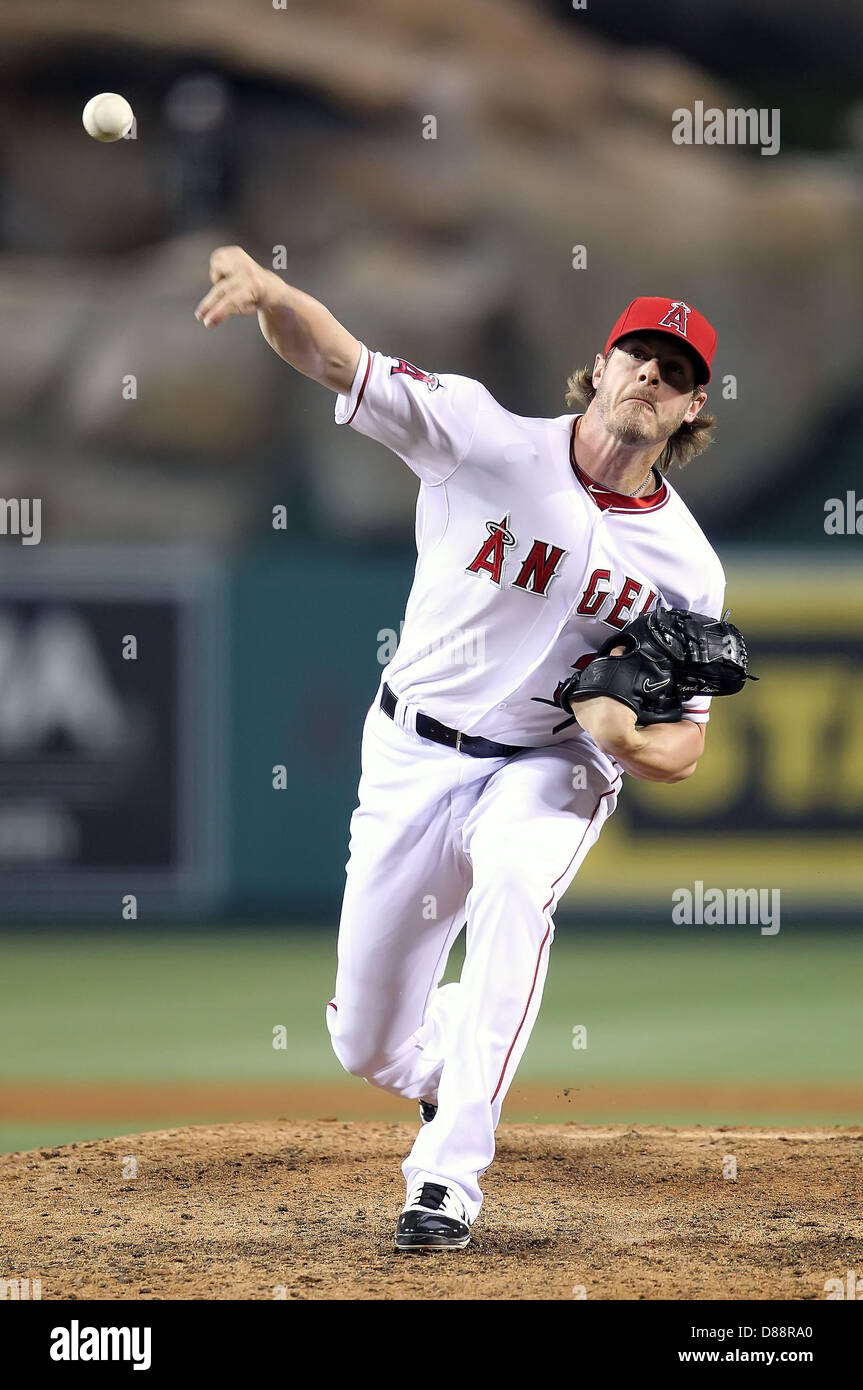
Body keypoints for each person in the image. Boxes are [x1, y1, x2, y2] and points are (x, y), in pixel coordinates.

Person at [196, 253, 724, 1251]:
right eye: (638, 356)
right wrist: (274, 296)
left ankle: (444, 1183)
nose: (650, 377)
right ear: (600, 365)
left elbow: (686, 743)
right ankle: (450, 1069)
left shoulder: (686, 567)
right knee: (366, 1042)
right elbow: (334, 358)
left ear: (692, 407)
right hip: (410, 753)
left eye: (674, 370)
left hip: (546, 763)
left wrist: (624, 738)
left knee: (514, 894)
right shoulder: (480, 434)